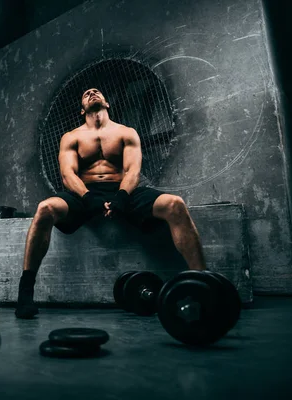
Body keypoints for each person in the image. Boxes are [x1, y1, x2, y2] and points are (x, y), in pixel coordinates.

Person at [15, 88, 207, 319]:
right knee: (45, 209)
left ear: (107, 103)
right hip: (83, 192)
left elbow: (133, 170)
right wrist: (89, 198)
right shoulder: (71, 136)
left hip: (123, 189)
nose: (92, 93)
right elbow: (68, 175)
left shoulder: (126, 132)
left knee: (174, 204)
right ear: (82, 109)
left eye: (97, 92)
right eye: (86, 94)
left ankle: (203, 284)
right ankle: (25, 292)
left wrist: (122, 197)